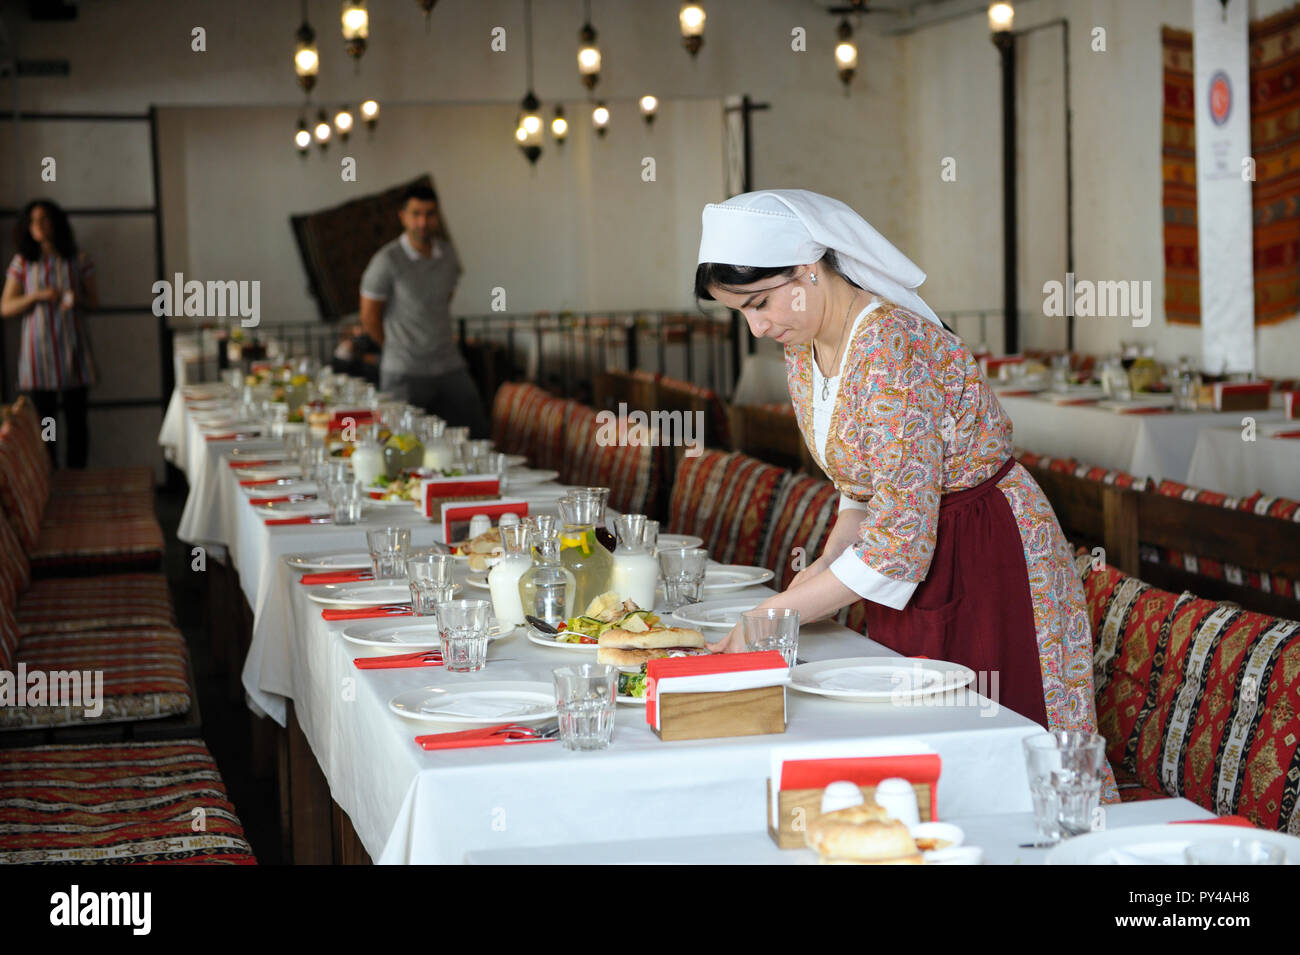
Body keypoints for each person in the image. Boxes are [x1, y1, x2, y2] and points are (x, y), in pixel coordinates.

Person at [695, 189, 1117, 802]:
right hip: (916, 540)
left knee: (1000, 739)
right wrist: (810, 581)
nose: (758, 326)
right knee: (920, 747)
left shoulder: (889, 346)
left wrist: (776, 612)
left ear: (809, 269)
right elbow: (860, 492)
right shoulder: (803, 347)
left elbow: (898, 537)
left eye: (760, 303)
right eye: (742, 313)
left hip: (986, 547)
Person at [359, 184, 489, 437]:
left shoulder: (448, 254)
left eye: (430, 214)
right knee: (402, 442)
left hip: (449, 364)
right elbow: (369, 316)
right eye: (416, 214)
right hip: (403, 370)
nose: (423, 222)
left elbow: (443, 299)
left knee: (475, 434)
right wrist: (396, 345)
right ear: (403, 216)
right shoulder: (387, 260)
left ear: (437, 216)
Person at [1, 199, 98, 468]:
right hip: (38, 356)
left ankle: (77, 477)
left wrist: (74, 299)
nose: (38, 226)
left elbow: (94, 301)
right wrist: (38, 296)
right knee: (45, 426)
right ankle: (48, 479)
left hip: (72, 352)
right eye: (32, 221)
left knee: (77, 421)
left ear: (55, 223)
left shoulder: (77, 259)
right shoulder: (23, 262)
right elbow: (6, 306)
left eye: (44, 219)